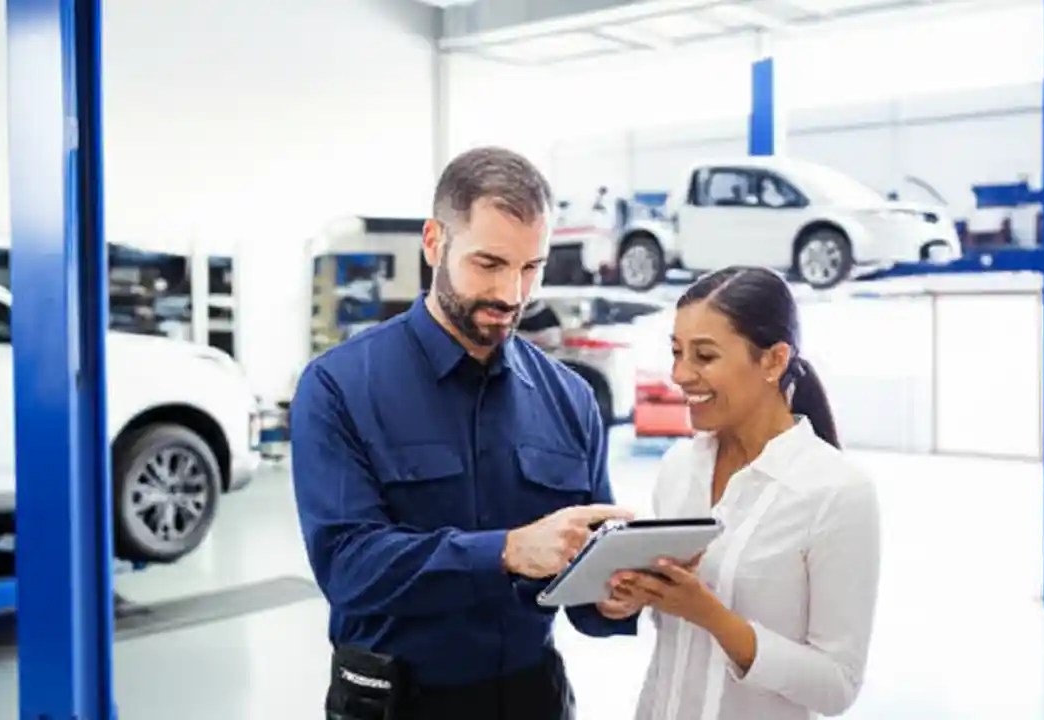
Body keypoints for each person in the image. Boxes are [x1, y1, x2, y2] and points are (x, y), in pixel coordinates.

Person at [290, 146, 639, 720]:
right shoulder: (338, 387)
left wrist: (615, 595)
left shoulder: (569, 400)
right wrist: (504, 552)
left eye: (532, 268)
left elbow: (583, 591)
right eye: (490, 264)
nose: (513, 294)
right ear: (434, 243)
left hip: (535, 698)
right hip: (399, 703)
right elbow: (349, 568)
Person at [606, 266, 881, 720]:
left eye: (704, 356)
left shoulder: (837, 492)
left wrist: (713, 617)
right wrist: (631, 595)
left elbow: (837, 686)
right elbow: (671, 627)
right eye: (676, 352)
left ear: (772, 361)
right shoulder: (679, 468)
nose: (680, 374)